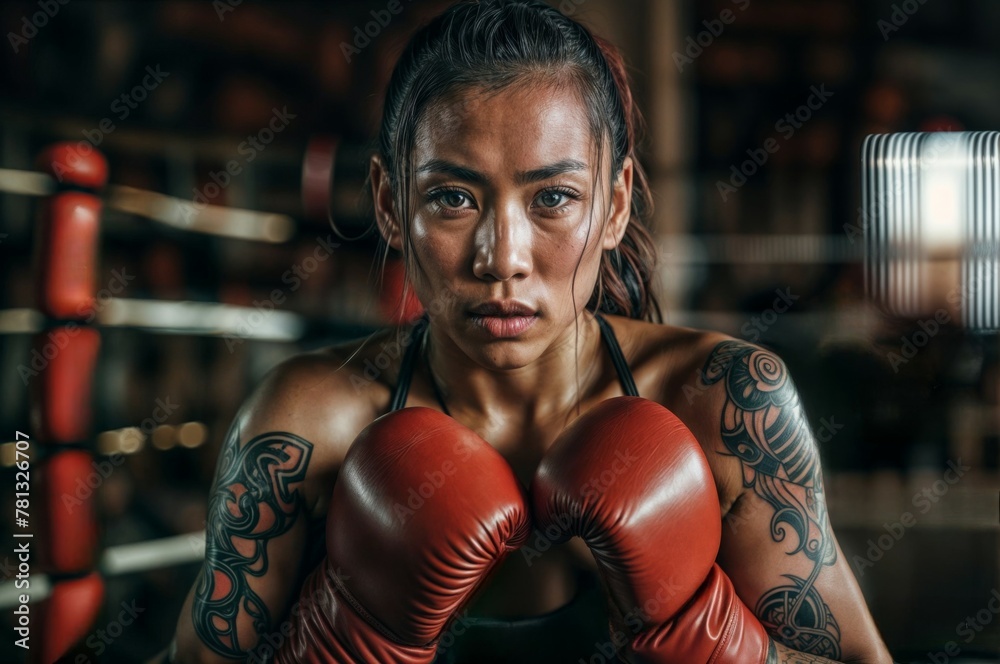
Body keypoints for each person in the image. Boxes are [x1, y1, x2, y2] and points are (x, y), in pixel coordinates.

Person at [158, 1, 896, 662]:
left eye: (553, 197)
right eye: (451, 196)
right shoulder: (311, 423)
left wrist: (704, 634)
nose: (502, 258)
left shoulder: (726, 406)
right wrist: (346, 639)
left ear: (614, 206)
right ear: (389, 204)